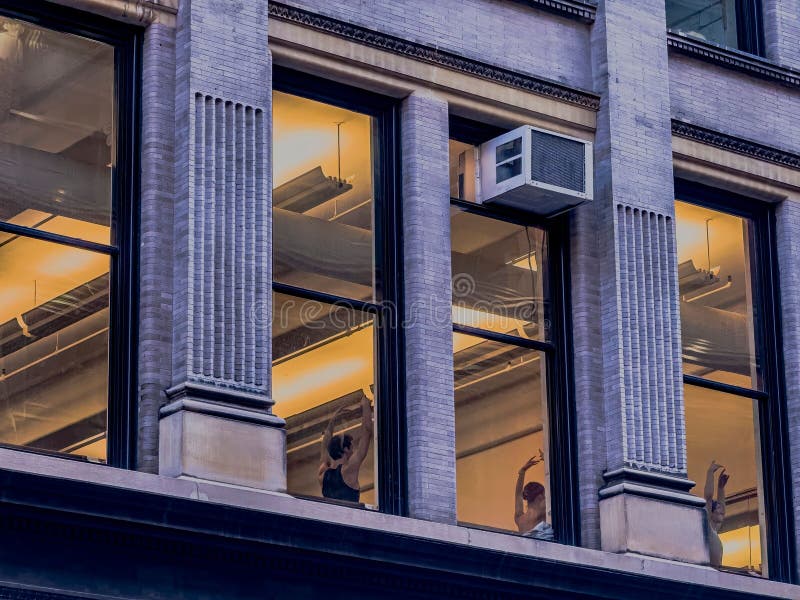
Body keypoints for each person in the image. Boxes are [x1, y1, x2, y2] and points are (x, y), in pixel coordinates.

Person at [318, 393, 373, 503]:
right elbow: (366, 432)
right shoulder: (348, 469)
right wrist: (366, 406)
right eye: (352, 447)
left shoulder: (322, 475)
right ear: (346, 449)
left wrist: (333, 419)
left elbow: (324, 446)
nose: (353, 451)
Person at [514, 450, 554, 541]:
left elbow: (518, 496)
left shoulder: (519, 519)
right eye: (544, 495)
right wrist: (548, 462)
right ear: (540, 497)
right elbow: (556, 486)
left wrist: (522, 472)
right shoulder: (541, 509)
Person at [704, 460, 730, 568]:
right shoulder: (708, 527)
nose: (722, 511)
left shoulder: (714, 530)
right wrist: (710, 473)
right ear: (712, 512)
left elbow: (723, 509)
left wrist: (721, 488)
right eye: (718, 509)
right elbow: (708, 497)